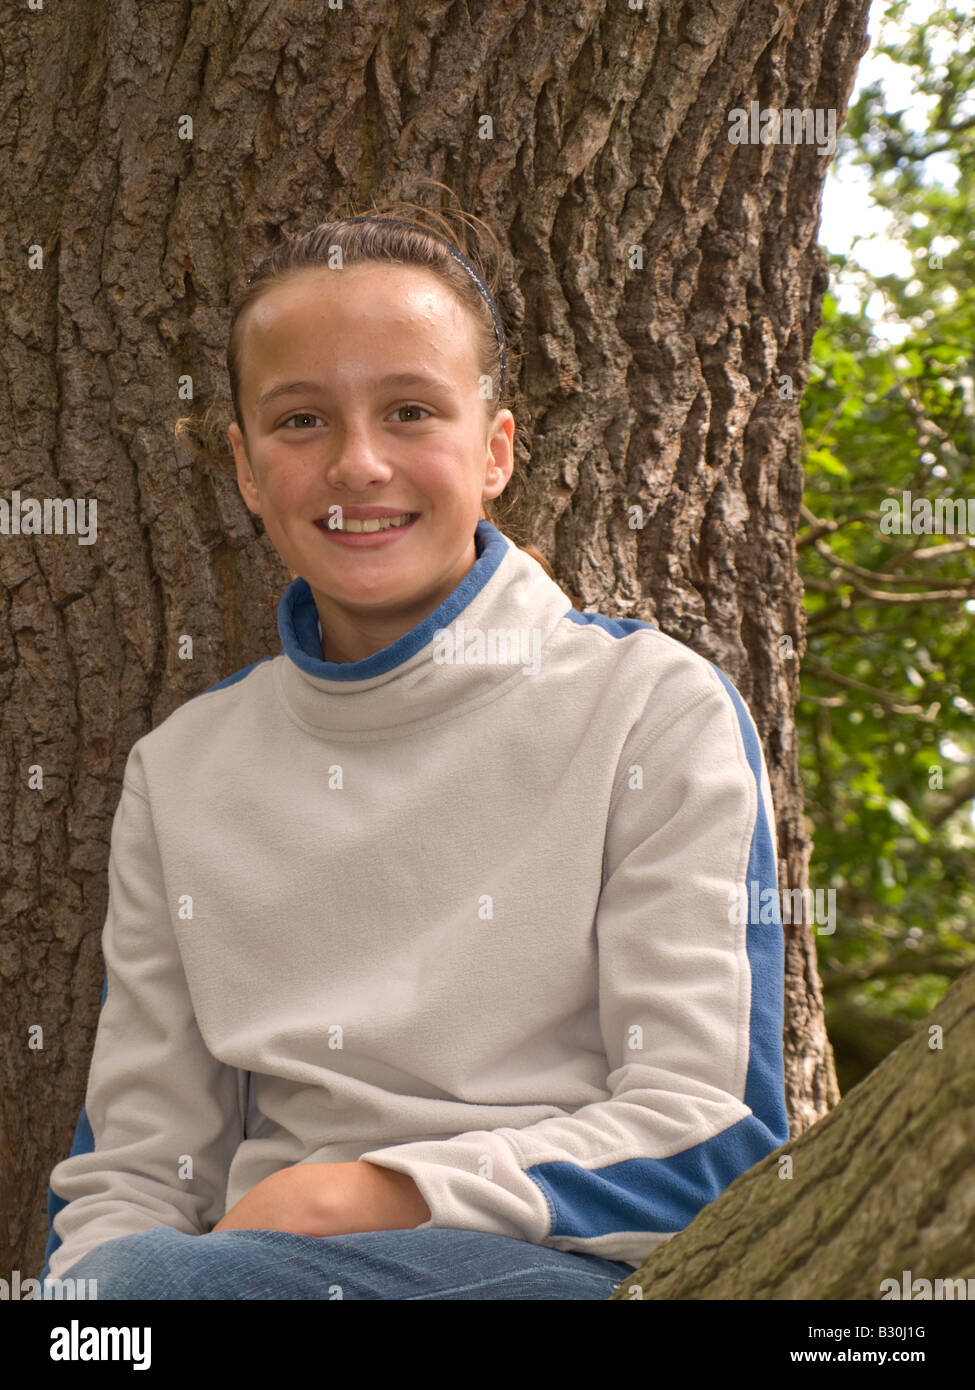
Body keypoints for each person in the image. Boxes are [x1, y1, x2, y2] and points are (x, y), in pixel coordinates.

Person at [40, 190, 789, 1300]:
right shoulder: (183, 767)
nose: (359, 465)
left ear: (493, 451)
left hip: (555, 1268)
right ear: (247, 470)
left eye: (410, 412)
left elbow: (714, 1136)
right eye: (302, 420)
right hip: (237, 1280)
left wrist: (363, 1191)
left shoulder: (649, 706)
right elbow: (142, 1166)